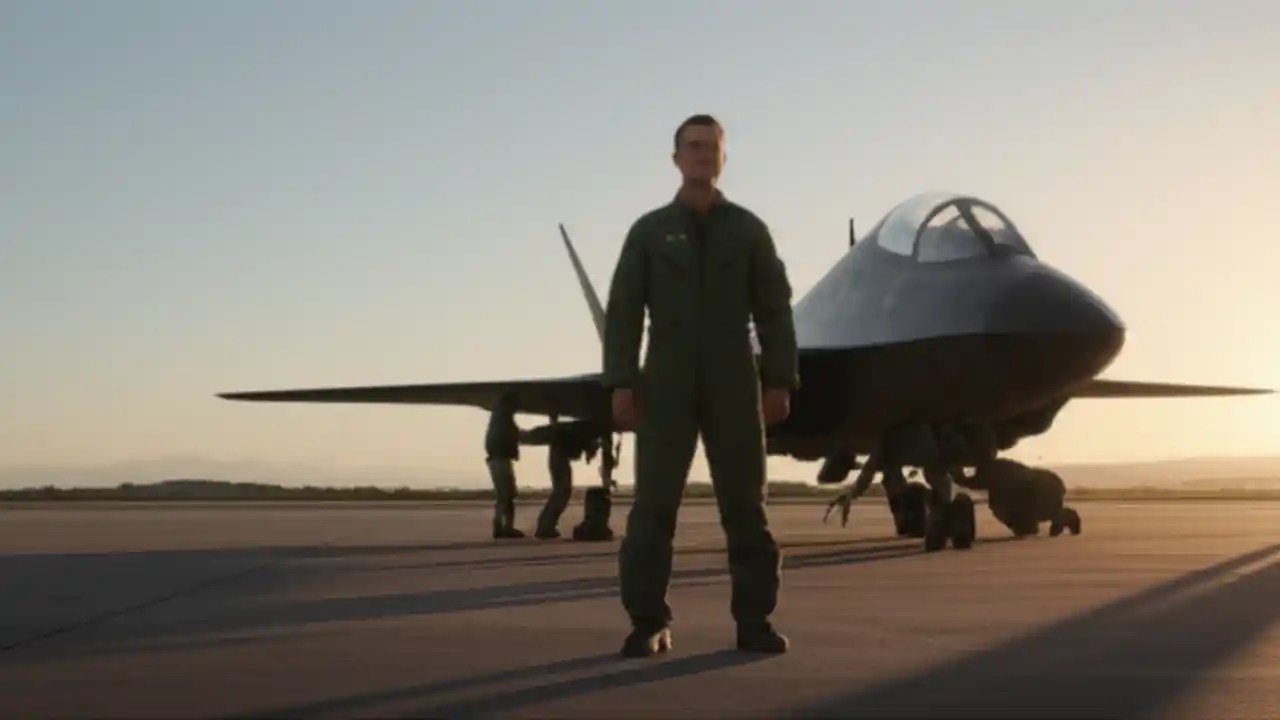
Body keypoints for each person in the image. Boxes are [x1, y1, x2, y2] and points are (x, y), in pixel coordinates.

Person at [602, 113, 800, 657]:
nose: (701, 155)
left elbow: (775, 310)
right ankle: (648, 622)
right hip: (664, 376)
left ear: (722, 158)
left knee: (746, 504)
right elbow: (623, 312)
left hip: (734, 377)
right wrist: (621, 382)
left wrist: (780, 378)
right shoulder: (648, 232)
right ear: (676, 158)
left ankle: (754, 621)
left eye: (710, 147)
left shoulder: (749, 231)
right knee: (653, 506)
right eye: (692, 146)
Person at [485, 394, 525, 539]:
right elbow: (517, 436)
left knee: (505, 496)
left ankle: (504, 526)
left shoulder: (496, 422)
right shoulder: (505, 421)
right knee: (507, 495)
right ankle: (503, 527)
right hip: (502, 461)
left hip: (496, 461)